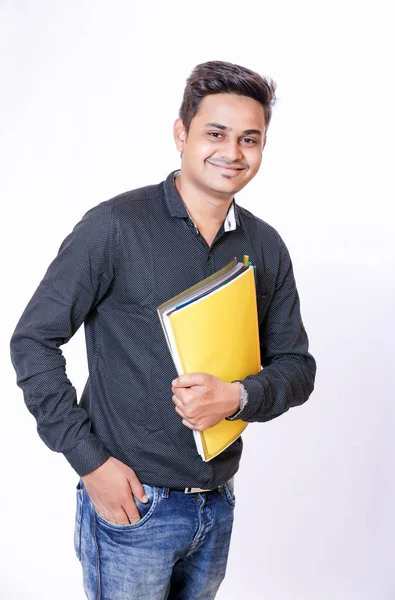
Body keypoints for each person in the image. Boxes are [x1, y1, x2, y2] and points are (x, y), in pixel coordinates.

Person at [10, 60, 316, 600]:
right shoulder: (114, 226)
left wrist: (238, 396)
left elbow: (297, 367)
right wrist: (90, 462)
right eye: (215, 133)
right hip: (132, 505)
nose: (233, 152)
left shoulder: (265, 246)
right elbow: (33, 340)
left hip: (217, 503)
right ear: (181, 133)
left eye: (251, 139)